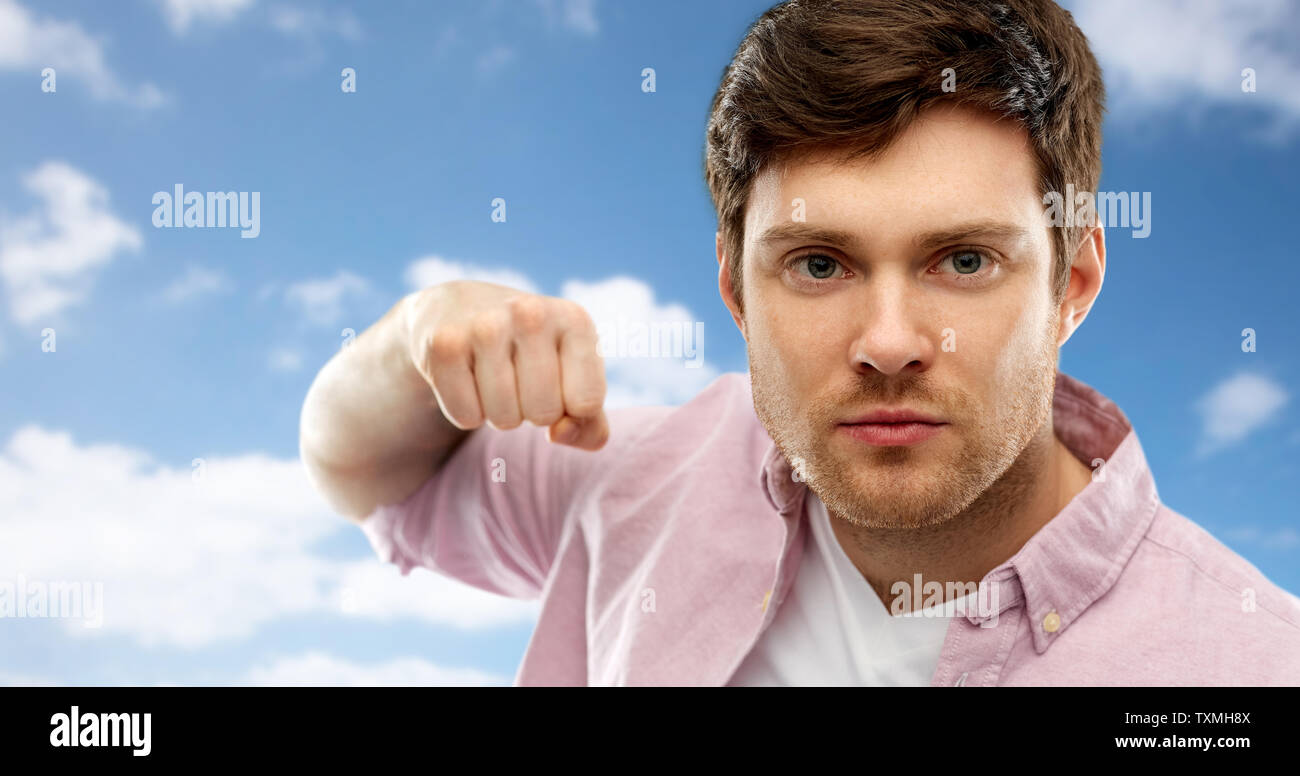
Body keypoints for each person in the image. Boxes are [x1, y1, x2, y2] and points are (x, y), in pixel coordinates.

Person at [298, 0, 1300, 686]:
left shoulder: (1248, 664)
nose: (890, 341)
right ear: (736, 287)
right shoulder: (635, 481)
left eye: (961, 259)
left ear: (1071, 281)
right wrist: (417, 333)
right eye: (820, 263)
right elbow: (362, 471)